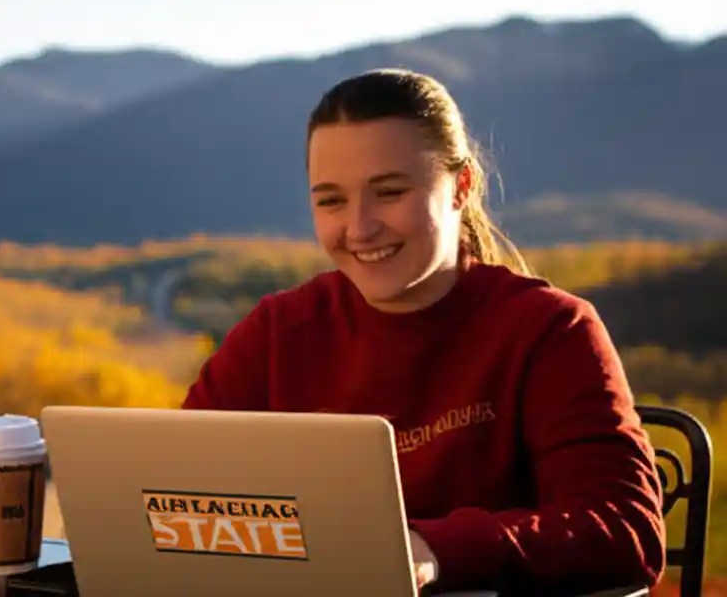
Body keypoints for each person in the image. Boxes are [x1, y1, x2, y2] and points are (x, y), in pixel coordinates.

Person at [181, 68, 666, 594]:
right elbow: (169, 494)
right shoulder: (276, 333)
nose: (359, 227)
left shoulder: (550, 329)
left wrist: (432, 548)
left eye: (388, 192)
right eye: (331, 200)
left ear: (461, 187)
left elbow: (625, 529)